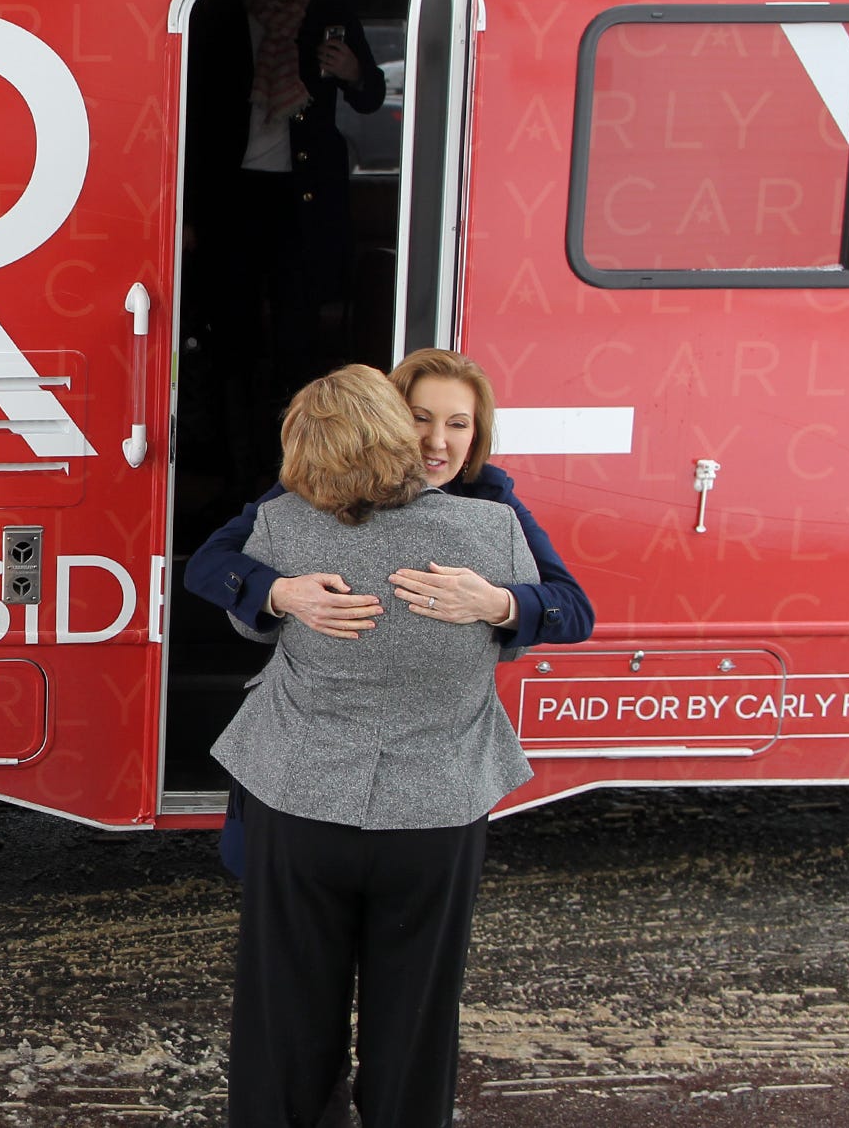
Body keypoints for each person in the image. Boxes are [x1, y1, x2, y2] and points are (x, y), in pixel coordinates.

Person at [213, 365, 538, 1127]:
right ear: (399, 430)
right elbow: (512, 642)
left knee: (284, 1012)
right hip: (437, 813)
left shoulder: (282, 527)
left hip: (299, 804)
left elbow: (243, 622)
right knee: (416, 1019)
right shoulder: (492, 531)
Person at [184, 348, 593, 652]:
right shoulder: (321, 482)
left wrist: (496, 603)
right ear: (388, 420)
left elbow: (575, 612)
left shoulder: (493, 500)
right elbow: (207, 564)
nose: (436, 441)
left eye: (457, 424)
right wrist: (281, 592)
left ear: (474, 438)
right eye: (420, 417)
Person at [181, 0, 388, 490]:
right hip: (231, 198)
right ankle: (237, 473)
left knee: (299, 338)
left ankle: (297, 471)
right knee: (231, 338)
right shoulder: (218, 4)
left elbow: (372, 96)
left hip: (304, 200)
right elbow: (189, 105)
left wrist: (353, 72)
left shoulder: (327, 5)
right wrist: (188, 214)